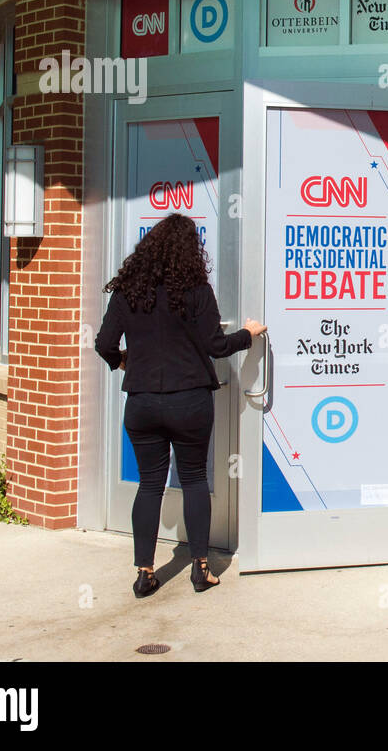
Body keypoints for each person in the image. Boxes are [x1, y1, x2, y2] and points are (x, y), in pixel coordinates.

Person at [94, 213, 267, 598]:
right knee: (192, 480)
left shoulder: (128, 292)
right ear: (192, 252)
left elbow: (104, 343)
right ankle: (201, 570)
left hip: (142, 403)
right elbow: (215, 346)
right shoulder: (196, 292)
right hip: (189, 400)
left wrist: (124, 361)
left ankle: (144, 573)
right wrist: (248, 334)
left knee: (150, 484)